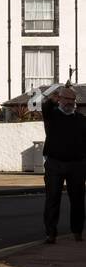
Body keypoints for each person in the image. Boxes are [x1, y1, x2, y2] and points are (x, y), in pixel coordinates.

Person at [41, 84, 86, 244]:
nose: (70, 103)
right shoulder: (51, 115)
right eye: (67, 99)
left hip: (77, 165)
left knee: (78, 200)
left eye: (73, 100)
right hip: (55, 163)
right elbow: (45, 106)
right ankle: (50, 233)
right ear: (60, 99)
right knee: (52, 199)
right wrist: (51, 99)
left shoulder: (81, 120)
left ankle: (77, 231)